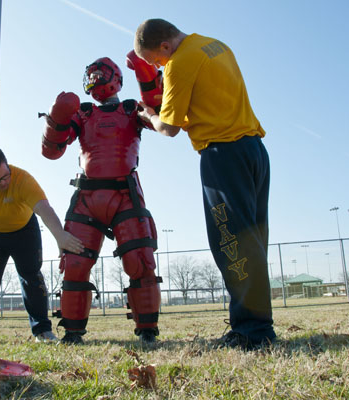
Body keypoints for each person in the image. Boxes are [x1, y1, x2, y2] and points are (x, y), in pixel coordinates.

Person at [131, 18, 276, 350]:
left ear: (165, 47)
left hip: (222, 155)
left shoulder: (180, 63)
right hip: (254, 150)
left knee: (231, 242)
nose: (158, 66)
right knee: (253, 241)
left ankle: (252, 331)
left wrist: (148, 116)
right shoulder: (215, 45)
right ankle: (257, 324)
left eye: (156, 60)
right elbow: (206, 101)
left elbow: (168, 127)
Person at [38, 57, 162, 344]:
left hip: (125, 194)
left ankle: (147, 330)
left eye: (99, 73)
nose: (95, 77)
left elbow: (161, 118)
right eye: (91, 74)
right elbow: (51, 152)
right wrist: (56, 118)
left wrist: (149, 81)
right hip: (88, 196)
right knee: (75, 264)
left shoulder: (132, 108)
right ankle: (72, 333)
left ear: (116, 77)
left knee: (140, 262)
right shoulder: (82, 113)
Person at [0, 146, 84, 342]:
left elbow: (44, 208)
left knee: (31, 275)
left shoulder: (22, 179)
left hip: (25, 230)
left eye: (5, 175)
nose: (4, 182)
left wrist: (60, 235)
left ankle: (42, 330)